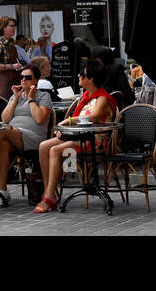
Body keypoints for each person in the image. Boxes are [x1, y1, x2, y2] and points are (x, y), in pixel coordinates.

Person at [34, 58, 116, 213]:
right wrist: (64, 130)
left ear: (90, 79)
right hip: (78, 139)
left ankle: (49, 197)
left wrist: (70, 120)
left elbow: (94, 117)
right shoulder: (85, 97)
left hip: (94, 143)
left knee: (55, 150)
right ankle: (48, 191)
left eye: (81, 75)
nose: (78, 76)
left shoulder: (102, 98)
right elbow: (76, 123)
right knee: (44, 146)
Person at [0, 64, 53, 206]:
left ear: (35, 81)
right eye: (21, 77)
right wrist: (16, 98)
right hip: (13, 135)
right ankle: (3, 192)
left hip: (35, 138)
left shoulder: (43, 96)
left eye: (28, 78)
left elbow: (40, 118)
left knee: (5, 130)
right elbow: (4, 119)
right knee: (3, 144)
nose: (23, 80)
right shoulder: (15, 96)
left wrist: (31, 98)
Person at [0, 16, 23, 98]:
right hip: (4, 82)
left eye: (14, 26)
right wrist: (12, 66)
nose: (14, 28)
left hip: (15, 79)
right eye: (11, 26)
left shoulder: (12, 43)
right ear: (3, 28)